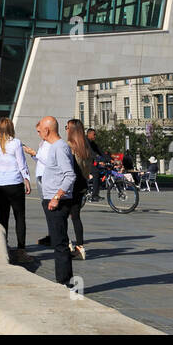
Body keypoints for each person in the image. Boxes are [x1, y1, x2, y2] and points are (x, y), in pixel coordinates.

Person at [34, 116, 77, 288]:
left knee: (59, 242)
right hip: (52, 199)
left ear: (47, 130)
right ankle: (63, 280)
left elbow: (70, 175)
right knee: (58, 240)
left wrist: (56, 197)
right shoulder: (55, 146)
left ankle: (64, 282)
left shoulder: (59, 147)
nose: (39, 133)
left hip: (56, 201)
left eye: (40, 130)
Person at [0, 117, 32, 262]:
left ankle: (3, 248)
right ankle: (21, 250)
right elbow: (22, 163)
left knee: (3, 217)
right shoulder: (16, 143)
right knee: (19, 216)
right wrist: (27, 179)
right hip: (14, 182)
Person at [65, 118, 93, 259]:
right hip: (82, 184)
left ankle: (66, 243)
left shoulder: (69, 145)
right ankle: (80, 246)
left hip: (70, 185)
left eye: (67, 127)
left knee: (61, 214)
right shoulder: (85, 145)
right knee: (75, 216)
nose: (65, 130)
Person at [86, 128, 107, 201]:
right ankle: (94, 195)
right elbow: (91, 153)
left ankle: (91, 186)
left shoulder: (93, 143)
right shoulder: (85, 142)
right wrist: (98, 160)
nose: (95, 136)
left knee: (101, 171)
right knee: (96, 172)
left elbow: (101, 152)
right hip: (84, 163)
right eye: (94, 134)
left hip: (89, 162)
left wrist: (111, 160)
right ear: (89, 134)